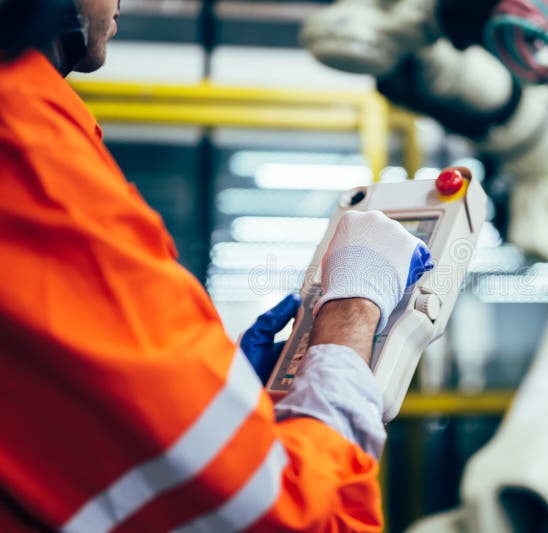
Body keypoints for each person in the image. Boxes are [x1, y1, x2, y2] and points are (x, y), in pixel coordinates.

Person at [0, 1, 434, 531]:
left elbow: (61, 434)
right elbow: (282, 515)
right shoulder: (26, 156)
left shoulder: (42, 138)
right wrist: (353, 310)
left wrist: (214, 399)